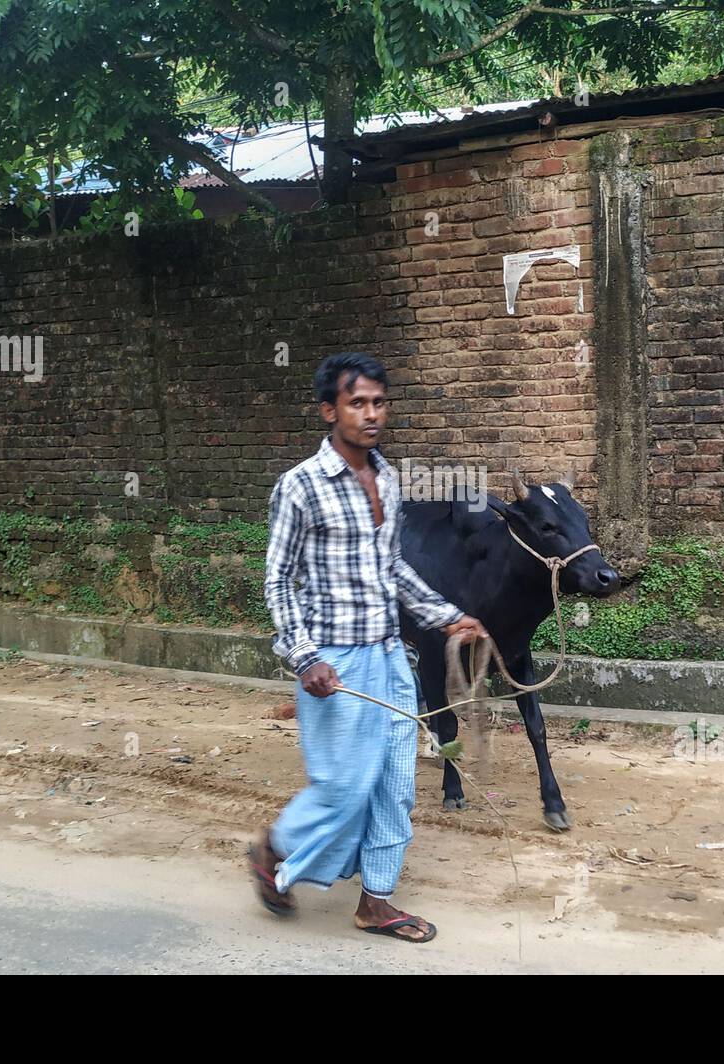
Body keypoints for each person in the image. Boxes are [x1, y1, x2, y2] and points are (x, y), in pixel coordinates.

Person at [251, 352, 487, 943]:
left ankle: (376, 902)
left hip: (387, 656)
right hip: (335, 661)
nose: (372, 413)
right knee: (342, 786)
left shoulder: (386, 476)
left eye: (379, 402)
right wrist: (305, 658)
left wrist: (448, 617)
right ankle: (273, 850)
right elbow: (278, 580)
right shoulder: (300, 486)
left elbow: (393, 569)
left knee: (394, 784)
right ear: (329, 410)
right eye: (357, 403)